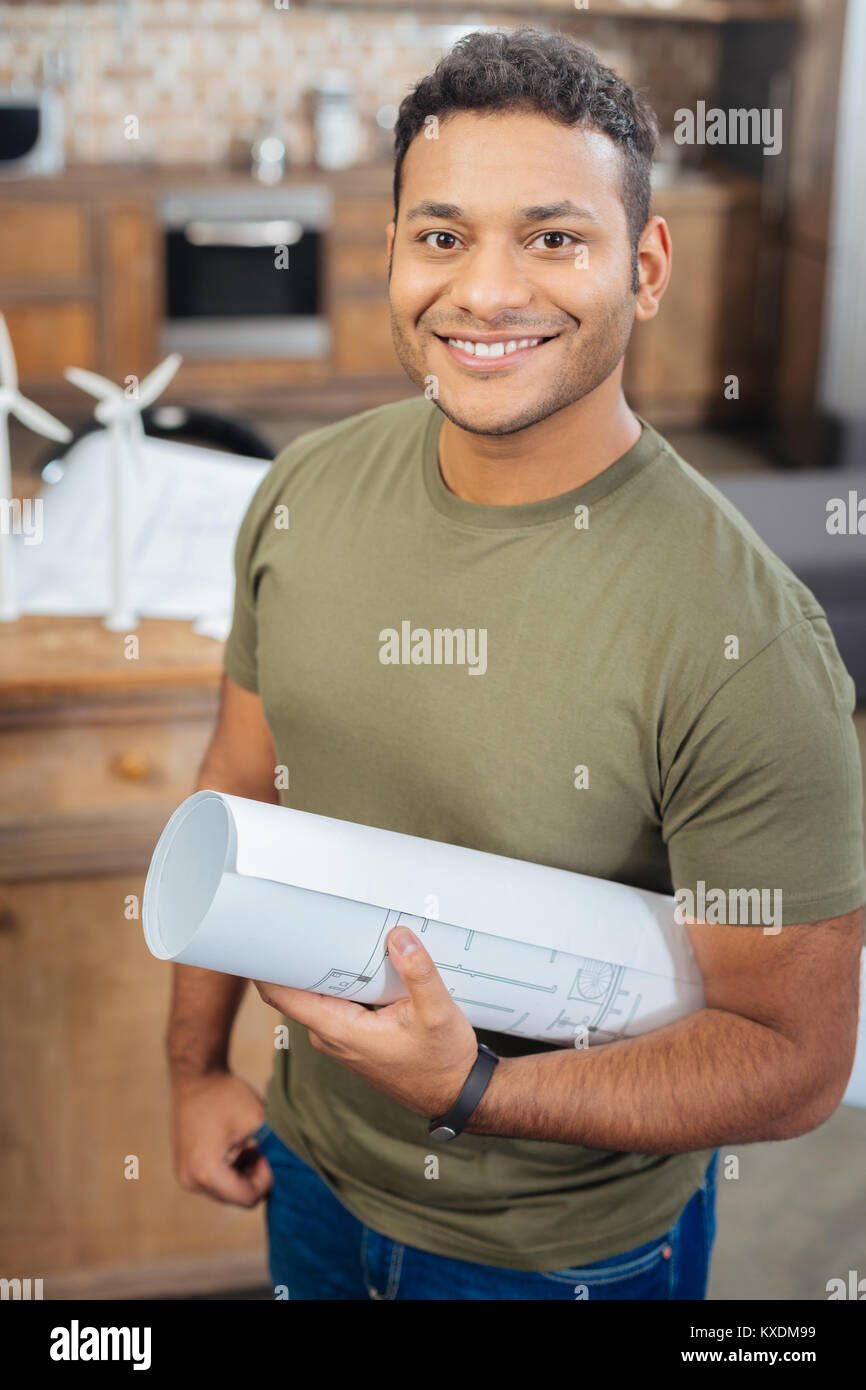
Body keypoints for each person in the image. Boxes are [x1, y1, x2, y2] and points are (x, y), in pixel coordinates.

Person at [168, 28, 865, 1301]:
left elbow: (794, 1059)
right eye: (440, 236)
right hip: (310, 1167)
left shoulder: (742, 643)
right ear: (388, 255)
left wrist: (476, 1092)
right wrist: (195, 1068)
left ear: (643, 267)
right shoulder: (308, 489)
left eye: (552, 237)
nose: (484, 292)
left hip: (560, 1257)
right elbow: (240, 787)